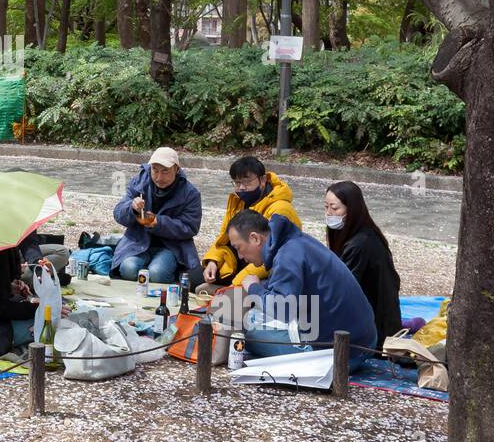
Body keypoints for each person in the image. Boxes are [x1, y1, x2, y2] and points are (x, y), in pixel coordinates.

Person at [227, 210, 376, 369]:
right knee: (255, 317)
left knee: (244, 336)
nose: (240, 256)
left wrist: (253, 288)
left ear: (255, 238)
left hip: (341, 354)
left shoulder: (287, 255)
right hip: (365, 341)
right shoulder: (295, 242)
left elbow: (282, 309)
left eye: (238, 248)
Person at [200, 156, 302, 289]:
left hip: (263, 267)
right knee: (193, 278)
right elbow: (223, 237)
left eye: (247, 182)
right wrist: (213, 261)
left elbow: (273, 256)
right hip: (238, 260)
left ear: (263, 180)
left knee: (225, 296)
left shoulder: (280, 210)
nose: (241, 188)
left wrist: (236, 284)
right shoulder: (237, 202)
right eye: (237, 183)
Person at [325, 181, 402, 347]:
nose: (329, 213)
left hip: (376, 326)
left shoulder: (361, 243)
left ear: (351, 209)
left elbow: (344, 288)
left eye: (335, 208)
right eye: (326, 207)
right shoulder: (352, 234)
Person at [111, 147, 203, 285]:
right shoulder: (140, 182)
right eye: (155, 170)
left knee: (157, 273)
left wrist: (158, 222)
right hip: (138, 241)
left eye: (165, 171)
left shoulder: (190, 193)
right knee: (128, 269)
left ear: (176, 169)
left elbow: (191, 227)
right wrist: (132, 208)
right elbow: (118, 213)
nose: (159, 177)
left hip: (172, 247)